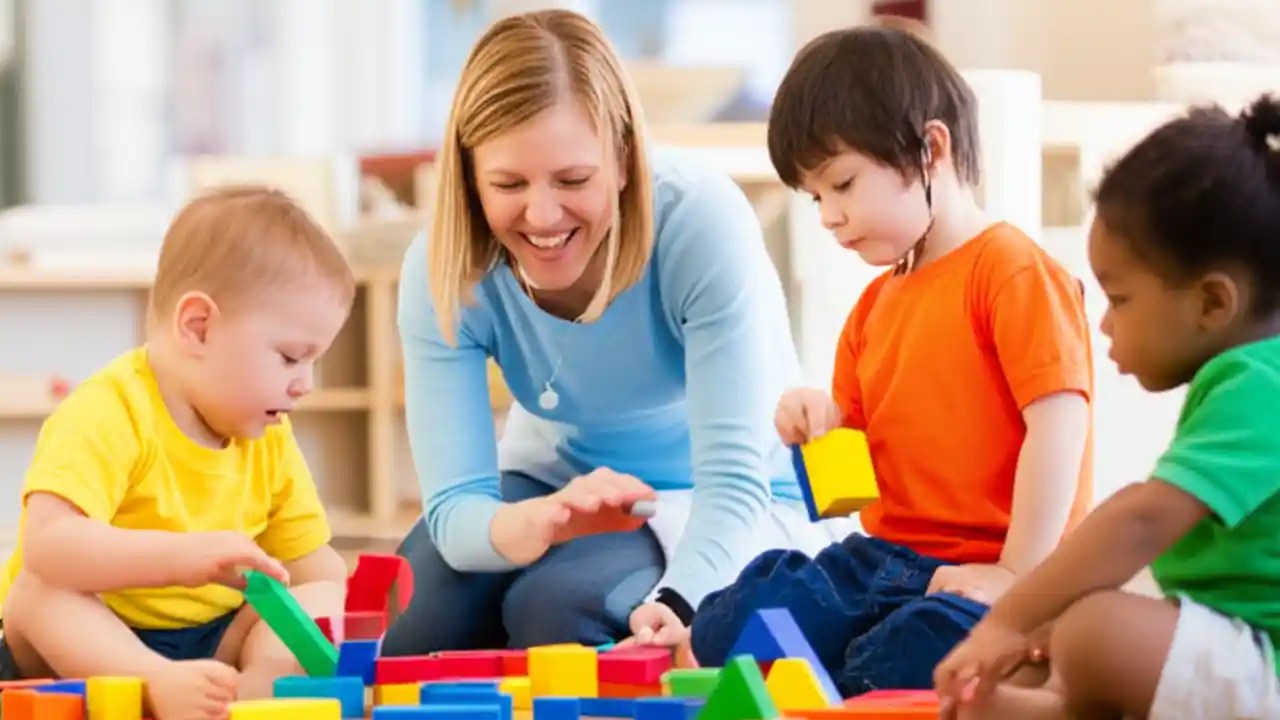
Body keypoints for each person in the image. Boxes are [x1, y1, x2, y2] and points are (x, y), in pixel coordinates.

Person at [382, 8, 854, 656]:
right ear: (467, 178)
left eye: (574, 180)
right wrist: (540, 523)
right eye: (508, 183)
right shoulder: (444, 269)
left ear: (627, 159)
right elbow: (458, 510)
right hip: (561, 479)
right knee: (420, 619)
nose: (542, 215)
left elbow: (733, 484)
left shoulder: (697, 221)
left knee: (556, 613)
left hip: (729, 497)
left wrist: (679, 601)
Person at [687, 25, 1095, 695]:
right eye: (816, 197)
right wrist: (818, 432)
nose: (828, 216)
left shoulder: (1012, 271)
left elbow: (1060, 429)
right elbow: (847, 496)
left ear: (932, 148)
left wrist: (1017, 578)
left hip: (997, 565)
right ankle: (837, 675)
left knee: (898, 661)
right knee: (727, 621)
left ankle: (869, 676)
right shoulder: (873, 308)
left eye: (843, 183)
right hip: (887, 565)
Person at [933, 95, 1280, 720]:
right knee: (1063, 633)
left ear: (1212, 303)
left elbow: (1141, 521)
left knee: (1092, 629)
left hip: (1266, 661)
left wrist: (1003, 622)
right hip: (1231, 638)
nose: (1104, 324)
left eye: (1119, 299)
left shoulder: (1262, 382)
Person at [0, 187, 354, 718]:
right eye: (289, 358)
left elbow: (309, 564)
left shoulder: (268, 436)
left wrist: (349, 605)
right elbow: (49, 545)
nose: (305, 384)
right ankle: (152, 682)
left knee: (322, 596)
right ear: (199, 327)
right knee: (38, 595)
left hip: (215, 643)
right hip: (93, 643)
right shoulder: (109, 410)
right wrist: (189, 559)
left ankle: (250, 701)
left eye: (314, 362)